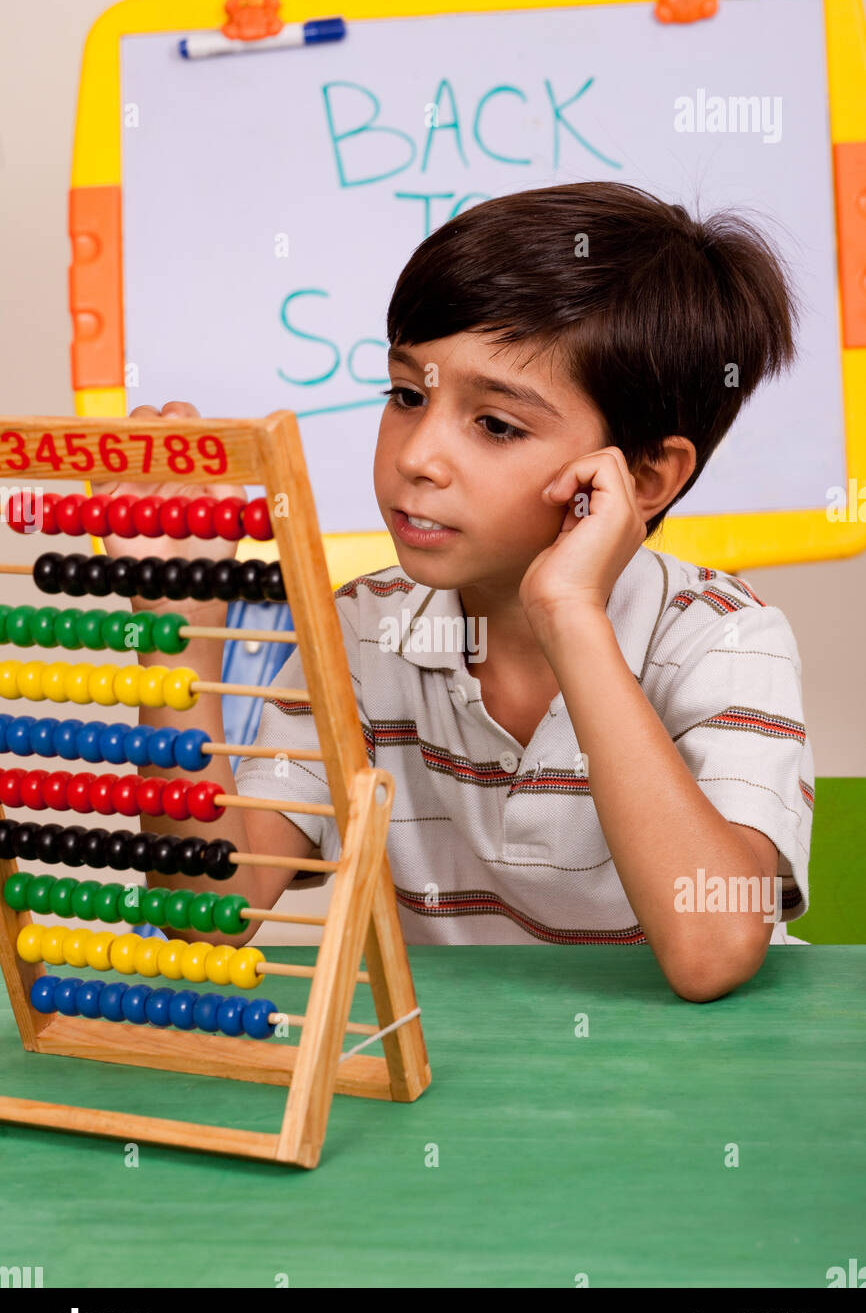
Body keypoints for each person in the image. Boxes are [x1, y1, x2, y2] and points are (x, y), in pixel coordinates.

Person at [101, 181, 814, 1002]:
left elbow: (713, 951)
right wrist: (176, 615)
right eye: (408, 395)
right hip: (453, 1085)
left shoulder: (724, 640)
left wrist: (570, 616)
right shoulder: (362, 634)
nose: (418, 457)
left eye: (497, 425)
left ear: (644, 476)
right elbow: (210, 914)